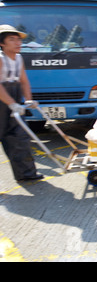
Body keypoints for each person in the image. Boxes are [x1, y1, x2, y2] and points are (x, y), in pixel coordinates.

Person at [0, 24, 43, 182]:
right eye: (12, 39)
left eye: (18, 39)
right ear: (2, 43)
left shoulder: (18, 58)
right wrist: (12, 104)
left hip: (13, 97)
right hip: (3, 100)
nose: (18, 43)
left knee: (20, 137)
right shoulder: (0, 59)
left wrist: (28, 99)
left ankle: (26, 174)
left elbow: (24, 81)